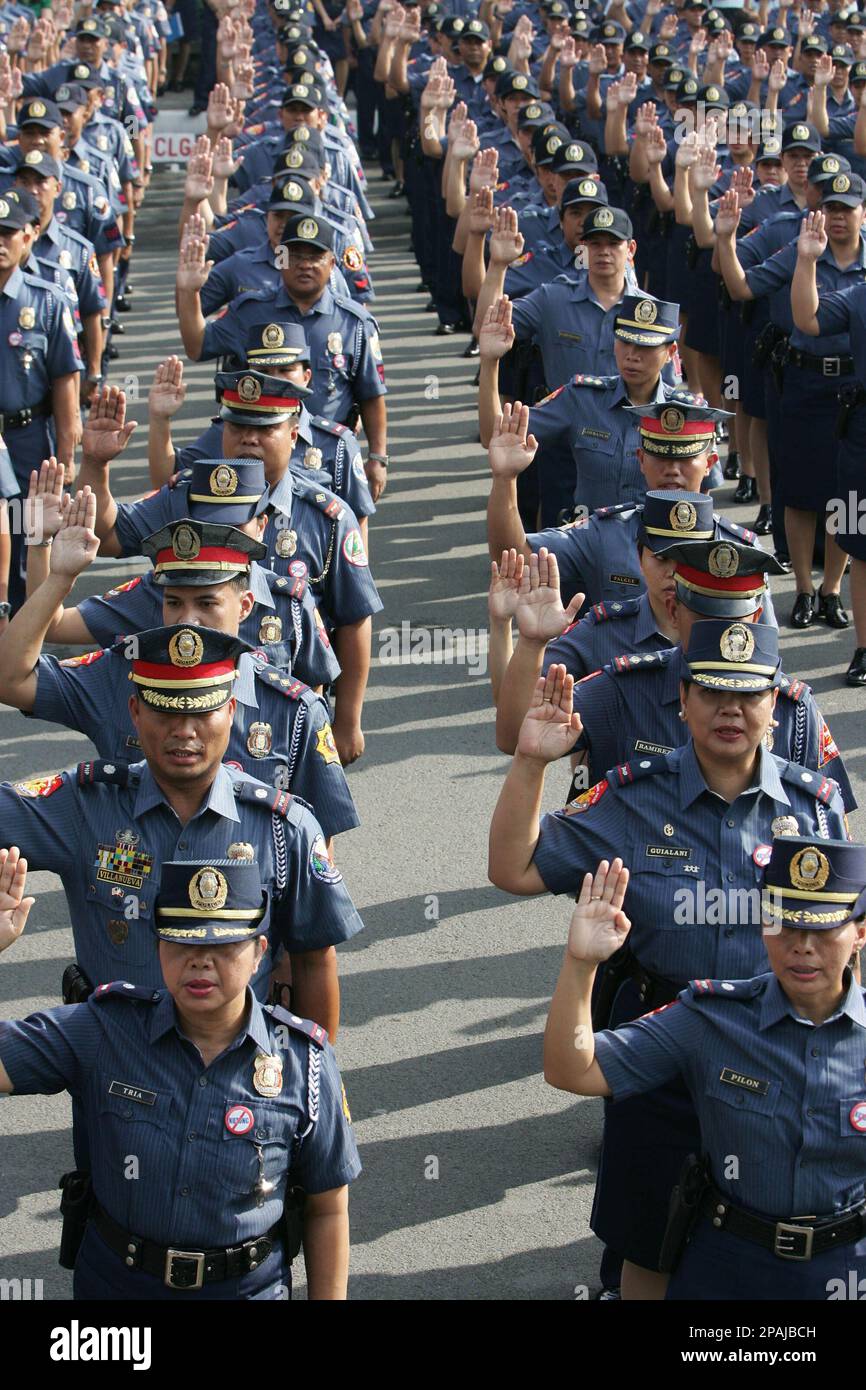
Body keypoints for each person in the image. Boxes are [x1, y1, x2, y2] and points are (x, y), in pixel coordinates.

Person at [488, 619, 848, 1300]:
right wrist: (531, 762)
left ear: (776, 704)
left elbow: (846, 936)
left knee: (772, 1246)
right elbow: (514, 867)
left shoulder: (814, 810)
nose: (730, 710)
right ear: (681, 700)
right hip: (664, 1047)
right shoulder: (633, 797)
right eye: (712, 692)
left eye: (748, 694)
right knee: (649, 1243)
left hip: (777, 1055)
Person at [0, 851, 361, 1299]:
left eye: (224, 945)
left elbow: (327, 1208)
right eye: (183, 942)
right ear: (158, 948)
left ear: (258, 953)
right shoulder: (104, 1029)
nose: (200, 962)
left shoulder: (304, 1062)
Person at [543, 834, 866, 1300]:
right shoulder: (712, 1019)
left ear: (859, 933)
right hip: (729, 1266)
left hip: (847, 1268)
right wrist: (580, 964)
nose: (802, 947)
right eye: (784, 926)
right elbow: (572, 1070)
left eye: (822, 930)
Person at [0, 496, 358, 837]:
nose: (188, 621)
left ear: (245, 607)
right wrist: (58, 578)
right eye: (174, 603)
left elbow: (316, 842)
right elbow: (10, 680)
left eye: (206, 603)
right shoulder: (118, 674)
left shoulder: (294, 710)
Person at [77, 382, 381, 765]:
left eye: (264, 428)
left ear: (293, 434)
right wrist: (96, 464)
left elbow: (352, 618)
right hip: (188, 713)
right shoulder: (187, 496)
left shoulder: (327, 517)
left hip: (272, 725)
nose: (248, 439)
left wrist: (347, 720)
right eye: (237, 427)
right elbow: (107, 535)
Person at [176, 211, 388, 486]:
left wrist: (377, 458)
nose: (305, 265)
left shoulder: (354, 323)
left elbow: (371, 394)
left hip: (327, 460)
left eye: (315, 256)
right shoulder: (251, 310)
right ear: (280, 259)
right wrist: (189, 293)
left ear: (332, 263)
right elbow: (198, 346)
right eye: (295, 256)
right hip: (258, 458)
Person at [792, 207, 866, 686]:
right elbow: (809, 318)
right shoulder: (860, 296)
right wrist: (807, 260)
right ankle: (864, 649)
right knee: (861, 540)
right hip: (863, 432)